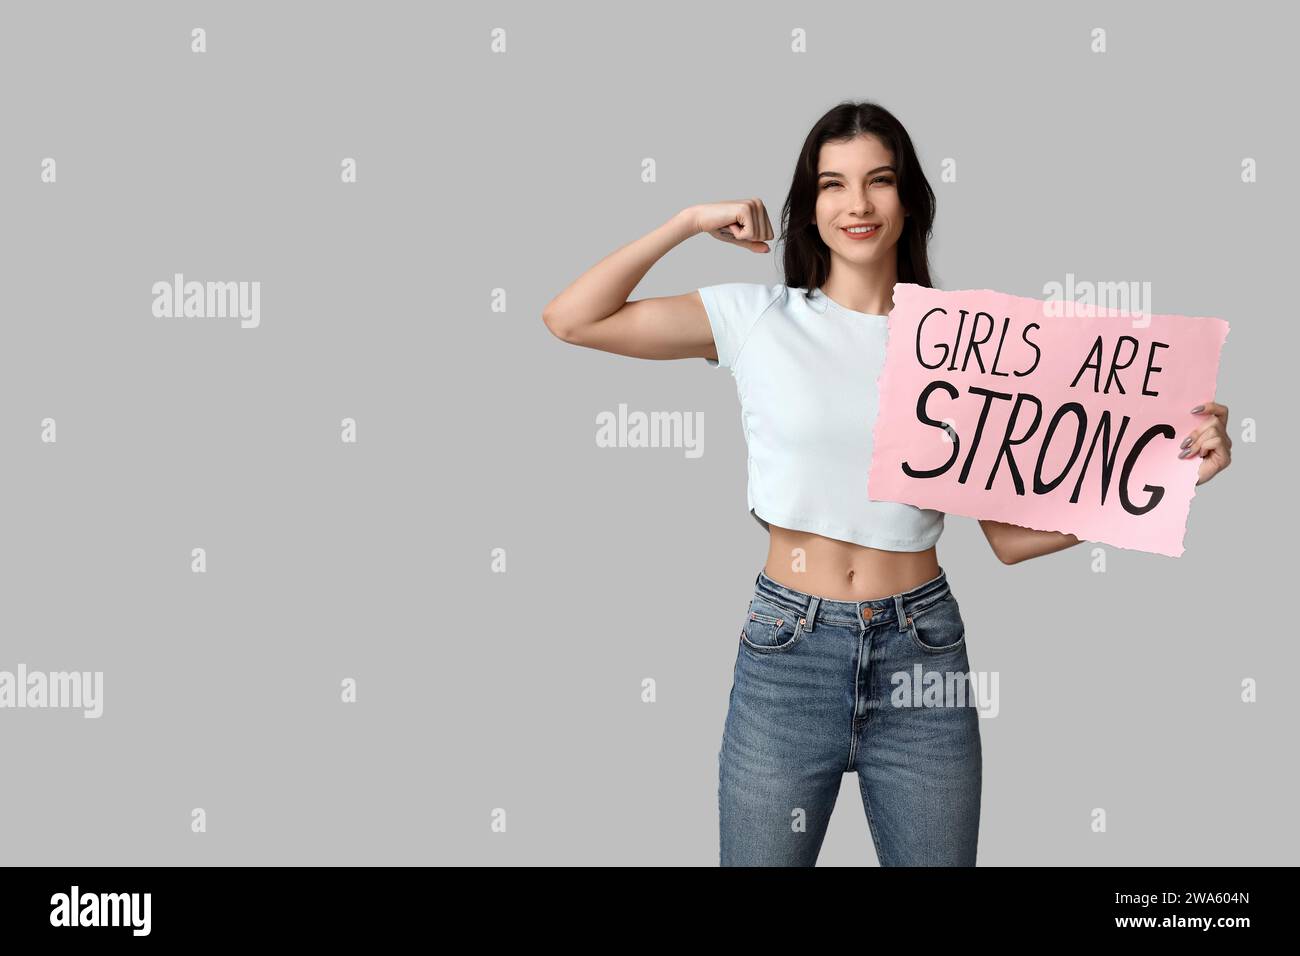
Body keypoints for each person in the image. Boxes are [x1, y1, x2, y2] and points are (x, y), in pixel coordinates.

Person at [541, 101, 1232, 866]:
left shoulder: (965, 349)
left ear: (910, 200)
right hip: (788, 654)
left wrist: (1170, 475)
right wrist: (688, 219)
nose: (858, 204)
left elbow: (1007, 541)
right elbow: (573, 319)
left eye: (880, 181)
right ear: (810, 206)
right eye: (833, 185)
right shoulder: (758, 317)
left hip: (922, 655)